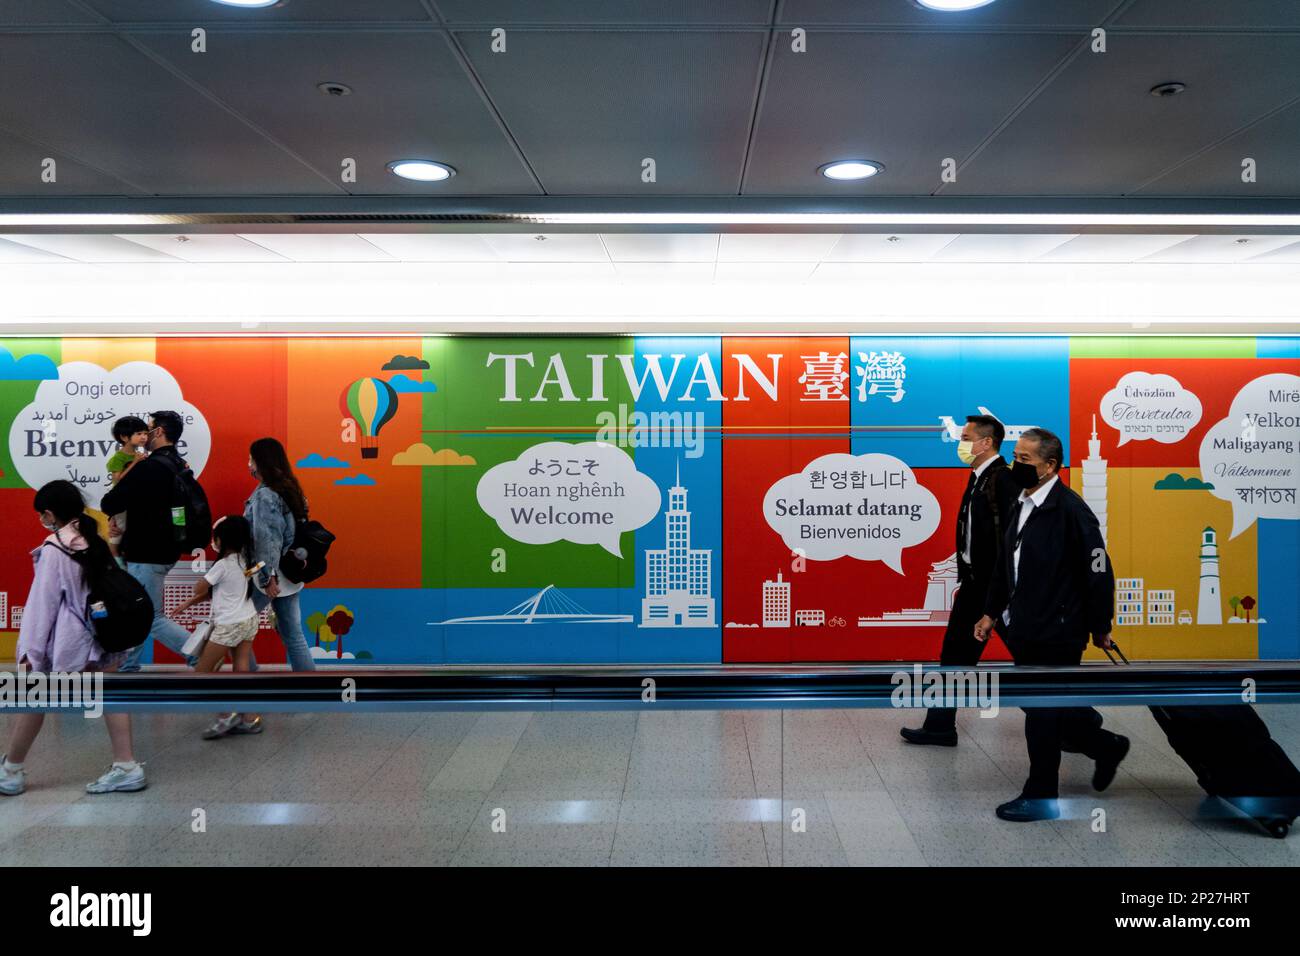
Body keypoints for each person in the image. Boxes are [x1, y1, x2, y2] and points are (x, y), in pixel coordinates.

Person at [975, 427, 1130, 822]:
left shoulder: (1072, 511)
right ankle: (1103, 743)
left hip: (1058, 630)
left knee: (1042, 713)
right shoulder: (1022, 503)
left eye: (1025, 460)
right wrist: (991, 611)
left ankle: (1041, 795)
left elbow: (1099, 570)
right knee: (1043, 705)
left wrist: (1101, 625)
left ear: (1050, 466)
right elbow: (1004, 565)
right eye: (1015, 457)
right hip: (1026, 624)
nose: (1016, 465)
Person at [0, 481, 146, 796]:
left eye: (42, 514)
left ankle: (11, 770)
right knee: (110, 696)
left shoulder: (55, 548)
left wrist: (30, 652)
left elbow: (43, 604)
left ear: (50, 513)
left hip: (68, 642)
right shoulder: (92, 539)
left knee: (34, 697)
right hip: (99, 637)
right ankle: (127, 766)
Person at [901, 414, 1019, 746]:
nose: (960, 444)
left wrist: (1000, 591)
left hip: (998, 587)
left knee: (1030, 658)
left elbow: (1012, 540)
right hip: (973, 585)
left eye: (966, 438)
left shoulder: (1003, 481)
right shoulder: (978, 478)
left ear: (986, 443)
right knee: (954, 656)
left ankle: (1087, 730)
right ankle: (939, 725)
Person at [99, 410, 200, 673]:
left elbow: (110, 502)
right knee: (139, 611)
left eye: (150, 427)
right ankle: (128, 666)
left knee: (150, 617)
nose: (146, 432)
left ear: (160, 432)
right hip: (168, 547)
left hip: (147, 550)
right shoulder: (179, 464)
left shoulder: (150, 466)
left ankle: (201, 654)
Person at [169, 515, 263, 739]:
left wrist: (197, 588)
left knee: (203, 672)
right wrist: (188, 604)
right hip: (248, 619)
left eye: (216, 537)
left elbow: (200, 587)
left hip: (229, 625)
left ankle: (225, 716)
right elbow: (224, 591)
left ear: (222, 539)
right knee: (241, 669)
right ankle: (249, 718)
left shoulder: (222, 564)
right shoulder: (246, 561)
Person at [245, 438, 316, 672]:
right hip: (291, 572)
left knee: (235, 627)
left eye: (251, 459)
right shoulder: (291, 488)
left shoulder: (266, 495)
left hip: (269, 574)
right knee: (293, 634)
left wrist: (268, 577)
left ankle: (248, 685)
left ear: (261, 462)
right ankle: (310, 691)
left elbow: (267, 538)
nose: (249, 464)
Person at [104, 415, 150, 560]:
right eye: (139, 434)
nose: (144, 437)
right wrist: (135, 462)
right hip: (121, 500)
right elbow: (118, 480)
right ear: (124, 437)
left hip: (136, 500)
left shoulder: (140, 455)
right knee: (119, 530)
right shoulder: (118, 458)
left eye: (145, 433)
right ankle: (115, 558)